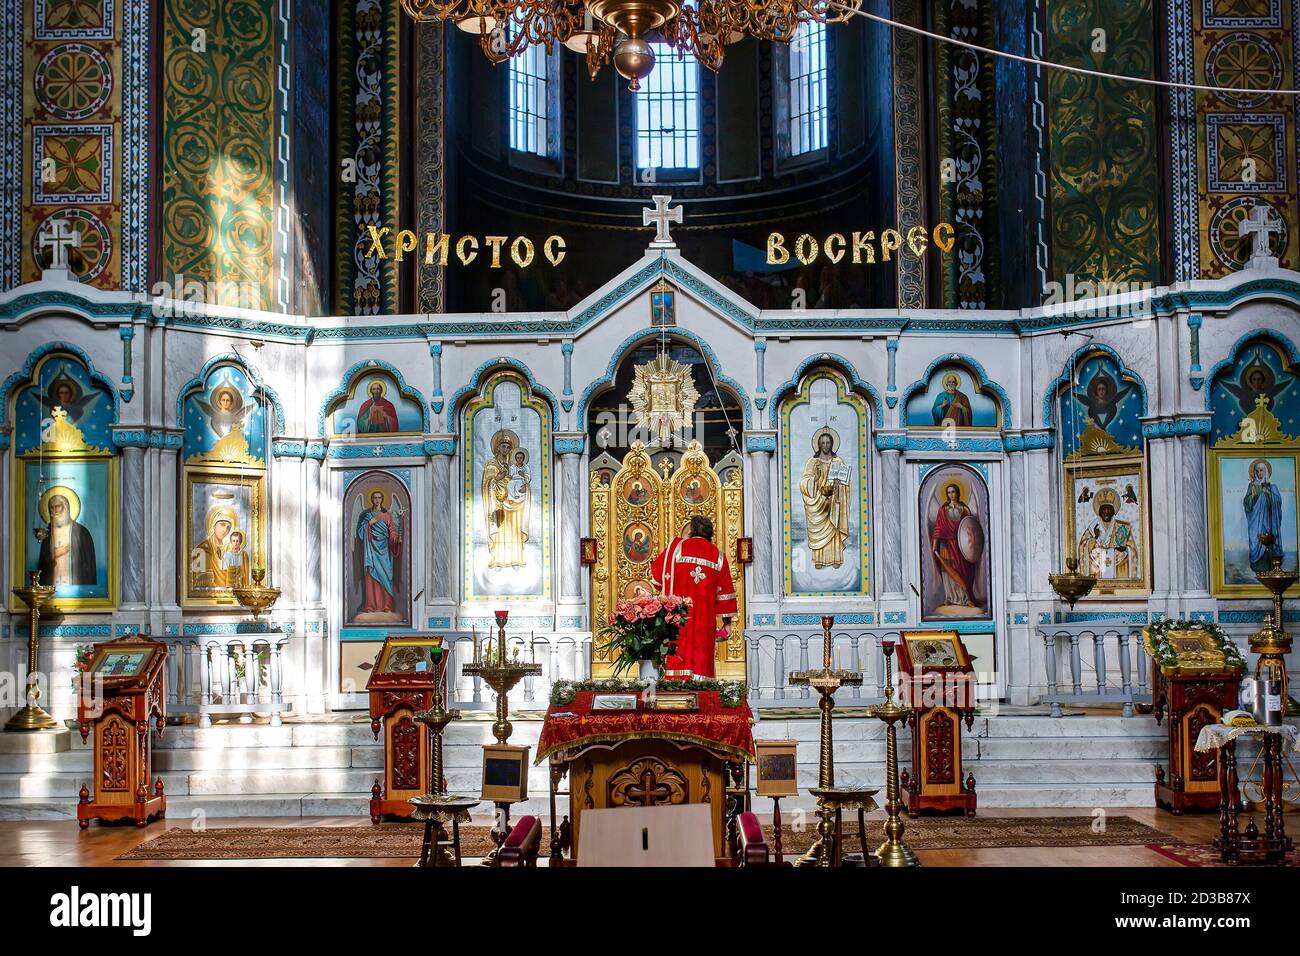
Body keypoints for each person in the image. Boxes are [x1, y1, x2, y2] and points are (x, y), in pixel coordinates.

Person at [649, 516, 737, 678]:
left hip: (677, 617)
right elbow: (726, 595)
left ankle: (674, 689)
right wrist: (727, 624)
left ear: (691, 531)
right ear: (711, 534)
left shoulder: (675, 548)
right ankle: (702, 694)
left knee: (677, 655)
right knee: (701, 662)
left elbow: (655, 578)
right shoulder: (718, 556)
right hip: (704, 622)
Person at [799, 427, 849, 569]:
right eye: (823, 443)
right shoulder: (812, 462)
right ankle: (819, 560)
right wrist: (815, 478)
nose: (825, 445)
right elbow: (804, 483)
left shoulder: (838, 462)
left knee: (833, 527)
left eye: (828, 443)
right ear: (819, 444)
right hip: (818, 502)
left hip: (834, 501)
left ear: (832, 444)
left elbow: (846, 482)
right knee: (820, 528)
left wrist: (840, 485)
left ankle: (835, 559)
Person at [930, 482, 981, 610]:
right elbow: (938, 527)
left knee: (962, 570)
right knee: (947, 570)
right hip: (945, 544)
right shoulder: (943, 509)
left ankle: (966, 598)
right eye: (949, 492)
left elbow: (970, 527)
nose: (951, 495)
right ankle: (950, 597)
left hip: (960, 544)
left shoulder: (964, 508)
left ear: (957, 492)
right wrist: (935, 543)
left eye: (953, 492)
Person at [35, 491, 97, 587]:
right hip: (52, 586)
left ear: (66, 507)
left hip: (74, 587)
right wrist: (55, 554)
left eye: (58, 506)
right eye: (52, 507)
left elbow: (88, 565)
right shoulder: (48, 534)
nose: (54, 510)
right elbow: (42, 565)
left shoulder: (82, 533)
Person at [356, 489, 402, 616]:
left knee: (386, 576)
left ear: (382, 499)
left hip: (384, 550)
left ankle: (386, 605)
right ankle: (371, 605)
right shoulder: (367, 515)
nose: (377, 500)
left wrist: (394, 537)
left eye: (379, 498)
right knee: (371, 576)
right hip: (371, 549)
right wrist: (368, 525)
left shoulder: (387, 515)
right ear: (371, 499)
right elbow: (360, 533)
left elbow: (392, 530)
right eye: (375, 498)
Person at [1078, 489, 1137, 579]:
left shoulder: (1121, 527)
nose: (1106, 512)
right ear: (1099, 512)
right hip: (1096, 568)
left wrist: (1125, 549)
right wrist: (1094, 538)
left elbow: (1132, 549)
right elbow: (1083, 545)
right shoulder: (1093, 526)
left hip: (1118, 566)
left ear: (1113, 511)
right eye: (1103, 510)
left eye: (1109, 509)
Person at [1244, 458, 1284, 573]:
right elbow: (1247, 504)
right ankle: (1257, 566)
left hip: (1269, 522)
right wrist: (1255, 496)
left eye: (1261, 470)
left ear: (1266, 471)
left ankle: (1271, 566)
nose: (1259, 473)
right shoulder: (1252, 486)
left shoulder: (1273, 487)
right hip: (1257, 523)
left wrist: (1269, 494)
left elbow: (1277, 503)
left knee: (1270, 543)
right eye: (1257, 471)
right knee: (1258, 540)